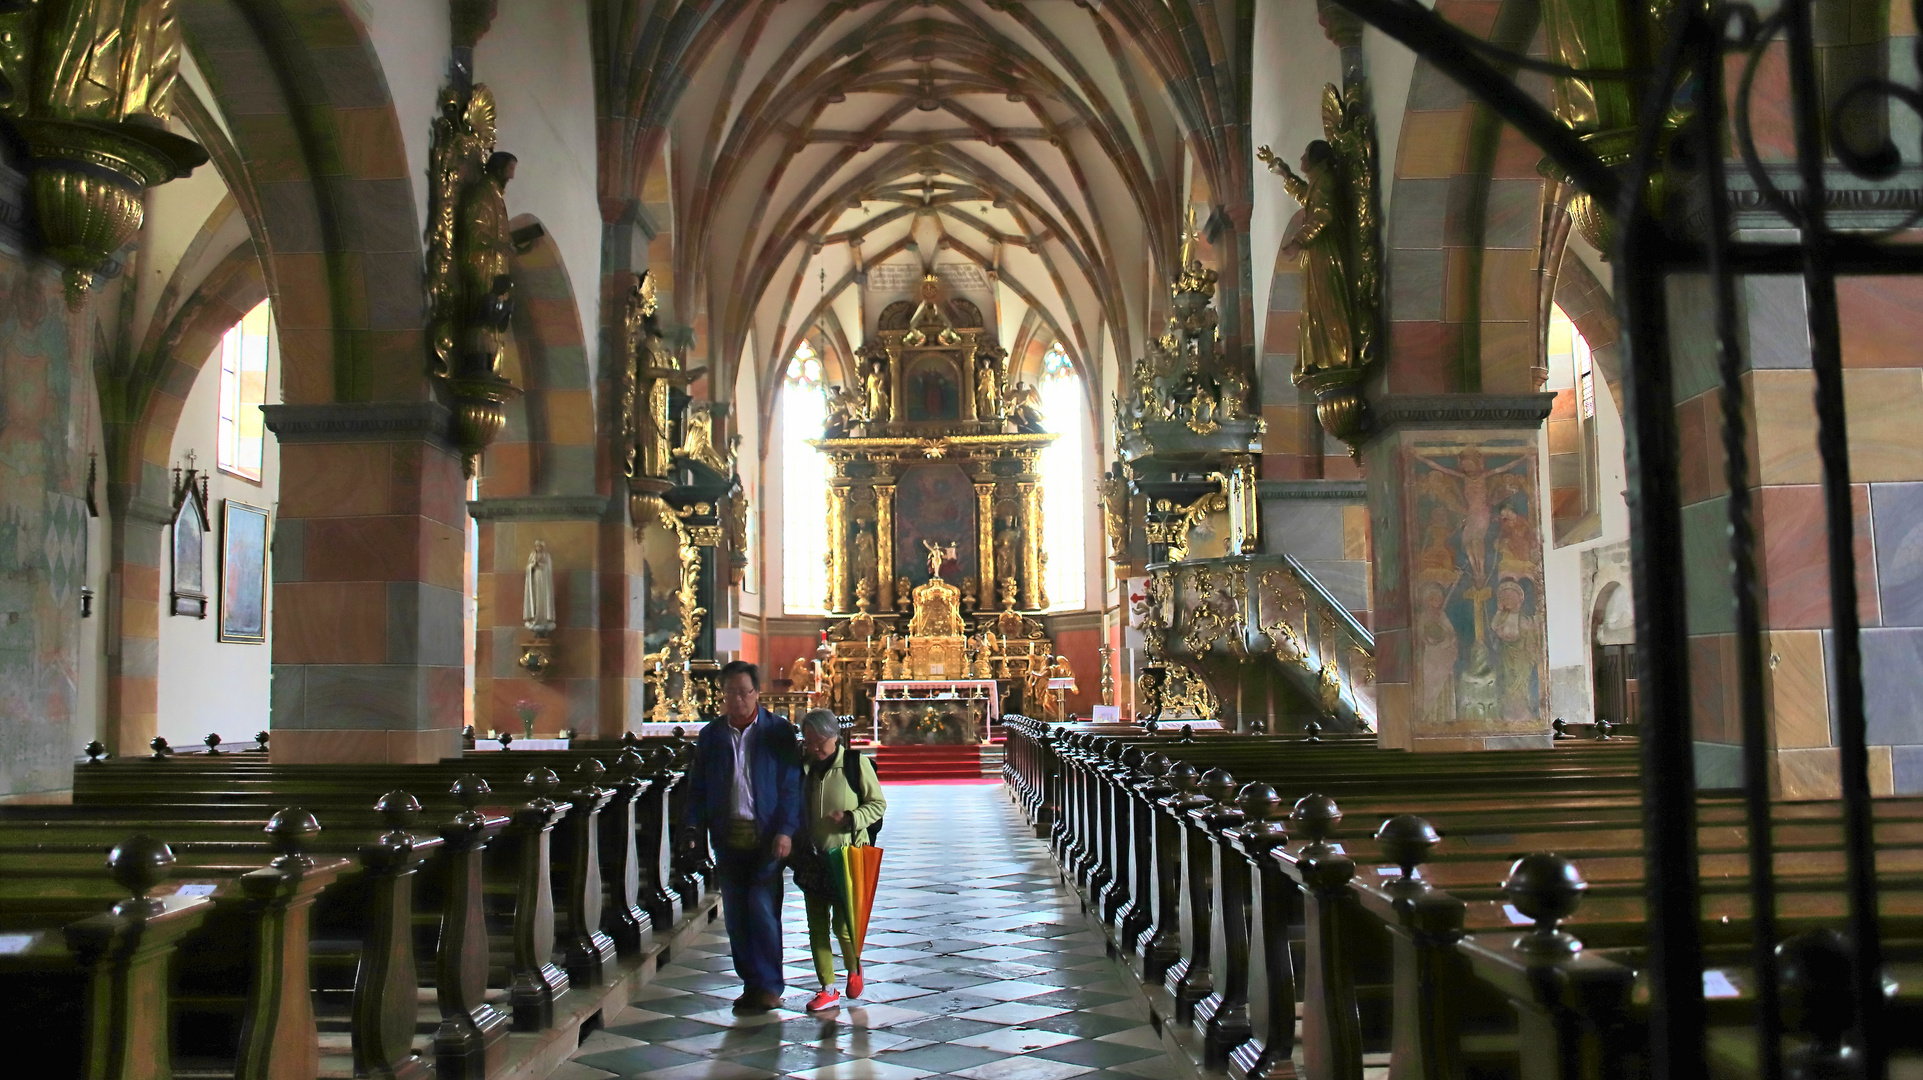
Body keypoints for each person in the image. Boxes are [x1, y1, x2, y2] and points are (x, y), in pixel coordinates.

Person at [685, 661, 802, 1012]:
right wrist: (693, 828)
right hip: (727, 835)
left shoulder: (778, 731)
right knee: (735, 914)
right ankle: (750, 981)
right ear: (721, 695)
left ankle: (769, 985)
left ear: (757, 693)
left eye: (745, 692)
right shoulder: (711, 736)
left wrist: (786, 830)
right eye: (731, 693)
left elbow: (791, 786)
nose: (738, 699)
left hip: (766, 834)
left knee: (763, 910)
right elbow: (698, 787)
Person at [792, 709, 886, 1013]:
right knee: (816, 926)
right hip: (812, 856)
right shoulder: (804, 768)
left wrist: (850, 818)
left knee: (844, 928)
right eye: (809, 743)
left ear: (835, 737)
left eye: (820, 743)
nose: (815, 749)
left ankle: (854, 966)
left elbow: (878, 805)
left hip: (845, 857)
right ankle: (827, 988)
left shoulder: (856, 765)